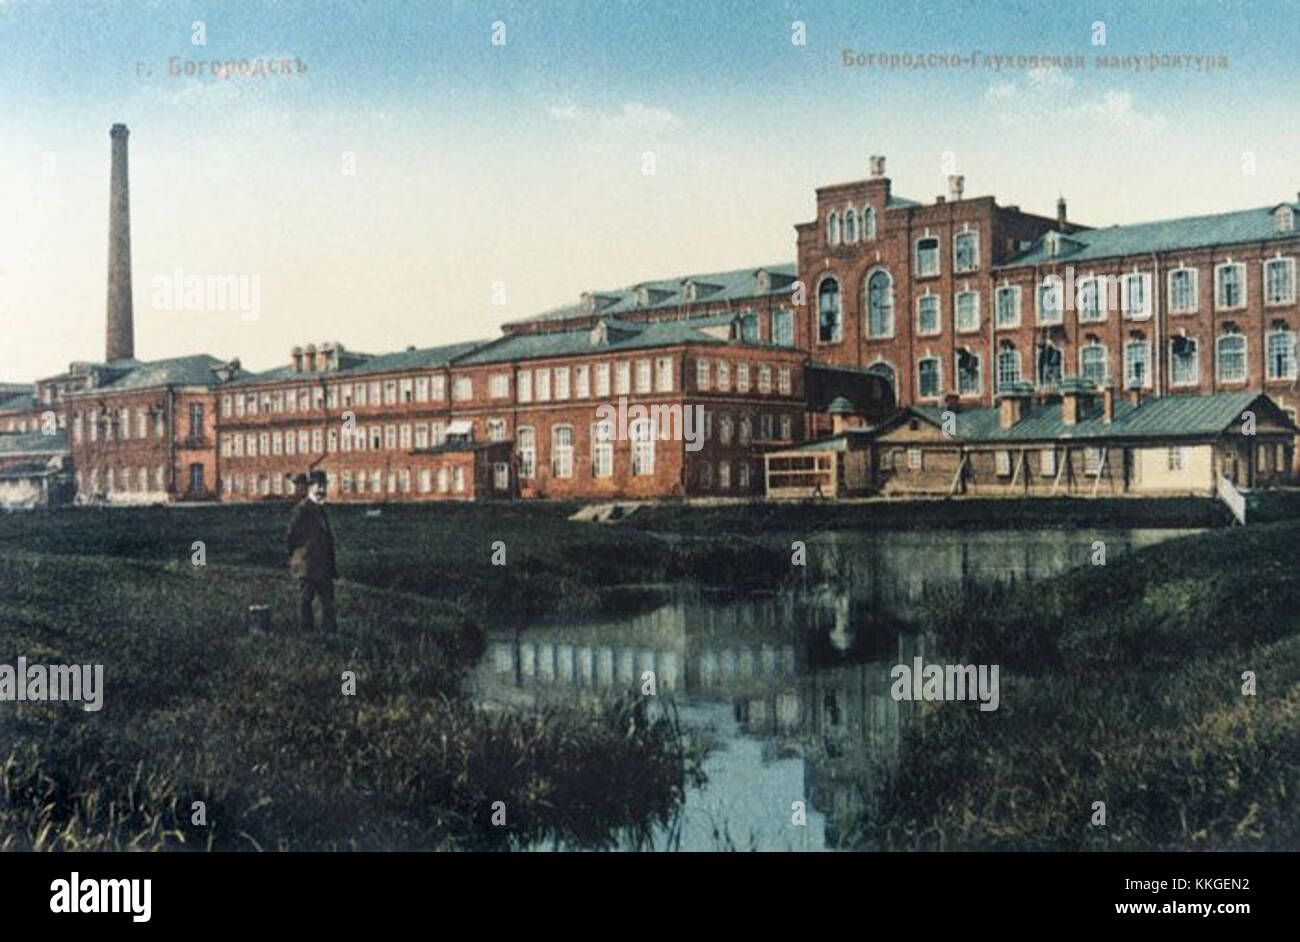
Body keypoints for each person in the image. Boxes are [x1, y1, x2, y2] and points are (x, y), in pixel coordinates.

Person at [285, 470, 337, 632]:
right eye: (318, 486)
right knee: (306, 600)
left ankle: (330, 634)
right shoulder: (302, 509)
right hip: (307, 565)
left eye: (324, 486)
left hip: (323, 565)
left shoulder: (321, 509)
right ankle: (307, 634)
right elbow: (291, 536)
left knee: (328, 602)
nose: (322, 490)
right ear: (310, 488)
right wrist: (300, 557)